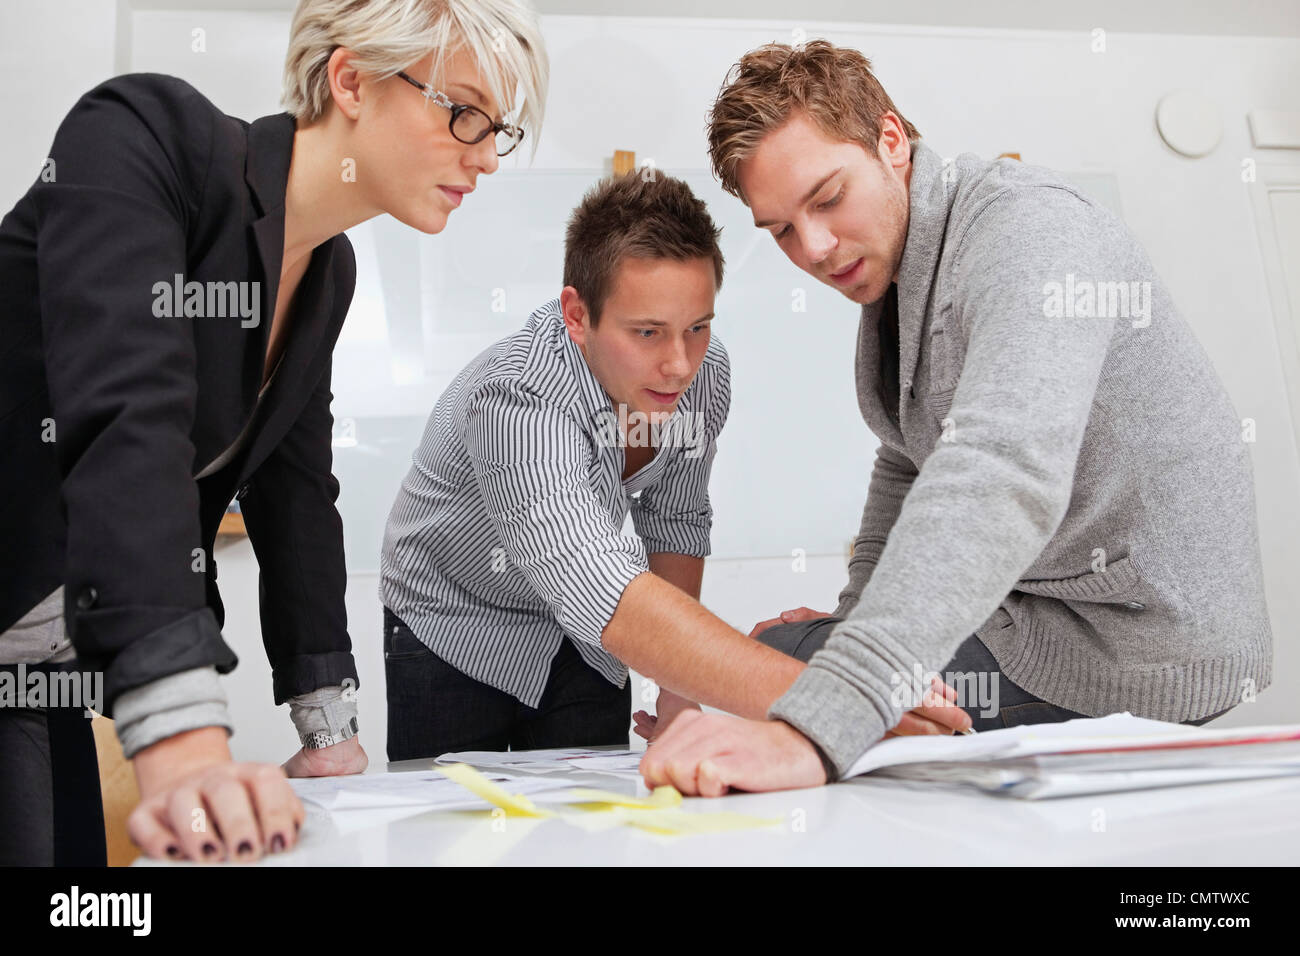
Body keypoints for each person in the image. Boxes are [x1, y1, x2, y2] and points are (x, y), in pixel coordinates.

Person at [636, 39, 1272, 796]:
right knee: (797, 652)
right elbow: (906, 462)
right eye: (780, 230)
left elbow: (1001, 471)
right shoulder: (905, 281)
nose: (813, 248)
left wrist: (824, 719)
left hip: (1130, 639)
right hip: (1044, 615)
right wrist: (856, 622)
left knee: (795, 668)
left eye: (828, 198)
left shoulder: (1030, 233)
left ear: (892, 140)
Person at [0, 0, 548, 864]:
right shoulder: (146, 136)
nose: (483, 154)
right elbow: (126, 416)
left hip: (42, 672)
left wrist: (326, 721)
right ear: (351, 79)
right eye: (464, 111)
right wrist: (182, 736)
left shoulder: (328, 272)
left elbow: (296, 493)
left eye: (497, 130)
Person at [382, 170, 972, 764]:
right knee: (450, 826)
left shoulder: (705, 371)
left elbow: (677, 521)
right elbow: (588, 577)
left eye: (697, 326)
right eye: (647, 332)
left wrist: (678, 692)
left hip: (588, 640)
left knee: (590, 825)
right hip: (454, 622)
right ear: (577, 315)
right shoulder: (517, 396)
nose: (677, 365)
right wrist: (838, 697)